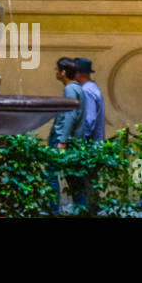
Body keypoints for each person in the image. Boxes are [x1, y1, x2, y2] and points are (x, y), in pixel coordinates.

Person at [48, 56, 86, 214]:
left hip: (63, 140)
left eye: (57, 69)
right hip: (74, 140)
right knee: (74, 178)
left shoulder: (70, 89)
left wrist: (62, 141)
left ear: (63, 72)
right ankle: (81, 210)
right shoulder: (78, 88)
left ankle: (53, 210)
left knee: (51, 175)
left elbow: (70, 116)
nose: (56, 72)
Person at [76, 58, 106, 141]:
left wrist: (80, 141)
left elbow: (89, 119)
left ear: (77, 73)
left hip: (90, 144)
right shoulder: (92, 87)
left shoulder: (86, 91)